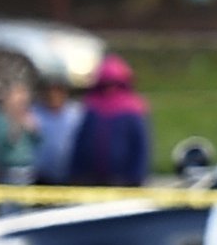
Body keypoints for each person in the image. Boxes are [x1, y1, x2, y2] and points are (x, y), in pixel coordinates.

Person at [61, 55, 152, 187]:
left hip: (123, 181)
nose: (110, 89)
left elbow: (141, 146)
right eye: (106, 84)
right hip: (91, 180)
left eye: (115, 84)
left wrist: (136, 177)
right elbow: (80, 143)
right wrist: (75, 173)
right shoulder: (91, 108)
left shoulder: (133, 110)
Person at [0, 64, 42, 187]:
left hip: (27, 170)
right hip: (5, 171)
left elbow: (38, 141)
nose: (22, 98)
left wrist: (34, 129)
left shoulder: (29, 114)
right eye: (18, 93)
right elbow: (2, 144)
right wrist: (16, 123)